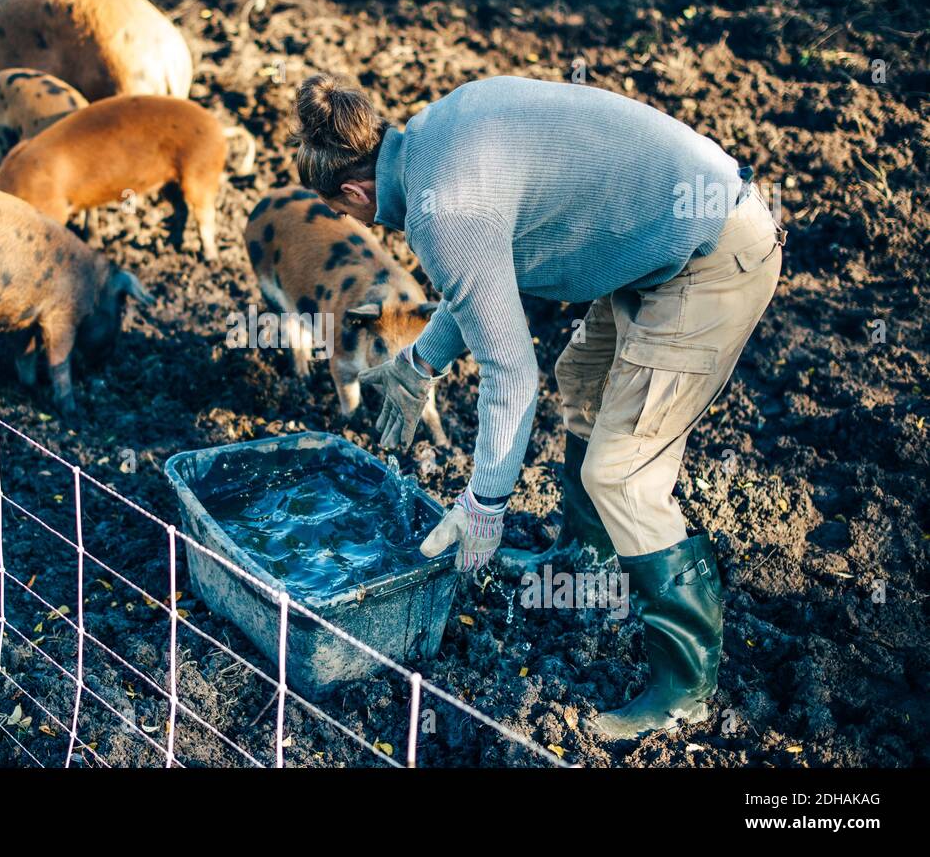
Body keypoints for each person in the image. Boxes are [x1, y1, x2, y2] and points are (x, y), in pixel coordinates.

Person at [290, 73, 783, 739]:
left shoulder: (442, 212)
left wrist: (483, 504)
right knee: (580, 378)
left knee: (623, 472)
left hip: (712, 255)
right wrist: (419, 364)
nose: (359, 223)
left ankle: (684, 686)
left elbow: (509, 369)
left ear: (353, 193)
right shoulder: (434, 135)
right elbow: (486, 286)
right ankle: (587, 559)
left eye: (348, 214)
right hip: (656, 242)